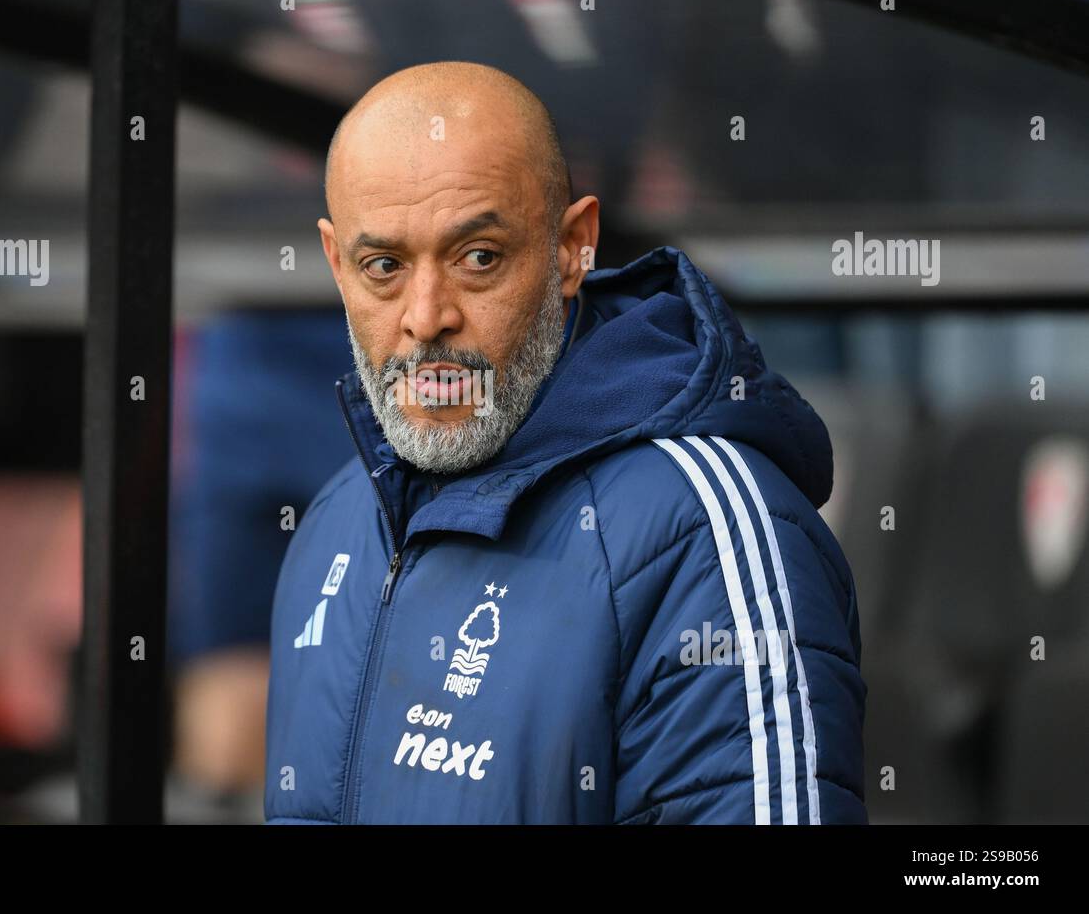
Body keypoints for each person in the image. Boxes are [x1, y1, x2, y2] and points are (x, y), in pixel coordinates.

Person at [263, 61, 866, 824]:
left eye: (478, 257)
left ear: (574, 246)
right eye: (383, 266)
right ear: (334, 263)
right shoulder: (336, 519)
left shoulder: (704, 531)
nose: (425, 316)